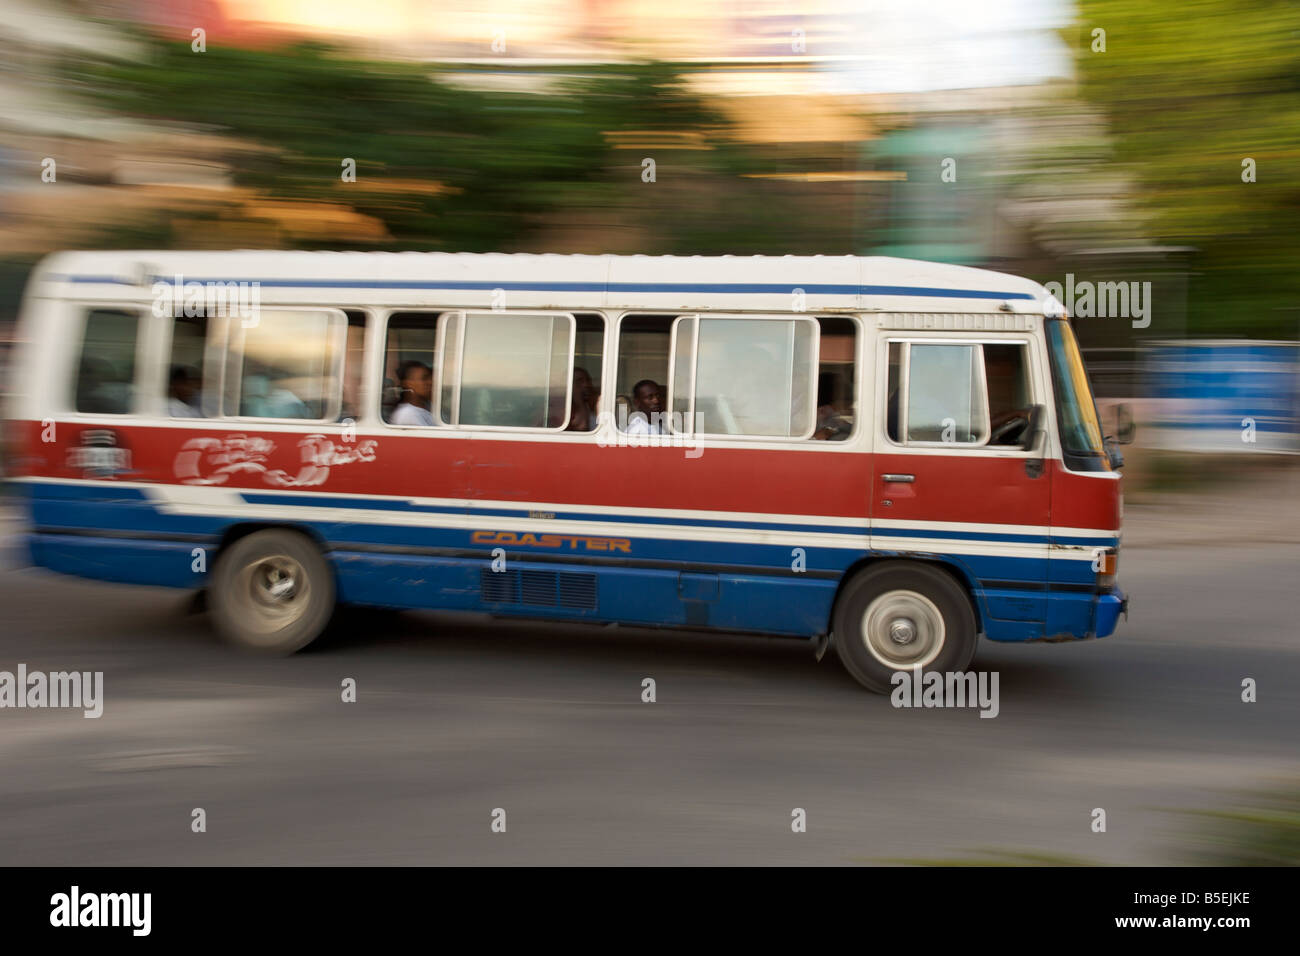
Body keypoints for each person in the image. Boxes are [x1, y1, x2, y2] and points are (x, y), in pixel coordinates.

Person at [390, 359, 434, 426]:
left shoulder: (428, 406)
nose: (430, 382)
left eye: (430, 378)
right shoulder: (408, 414)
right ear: (408, 384)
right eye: (424, 378)